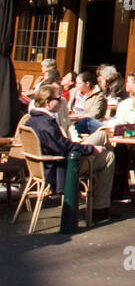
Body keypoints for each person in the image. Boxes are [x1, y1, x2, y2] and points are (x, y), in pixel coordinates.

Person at [25, 87, 118, 220]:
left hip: (46, 165)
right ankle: (100, 206)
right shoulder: (46, 124)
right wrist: (92, 149)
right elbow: (64, 148)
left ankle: (101, 207)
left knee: (109, 155)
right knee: (105, 142)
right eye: (58, 99)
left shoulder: (33, 119)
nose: (62, 101)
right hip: (61, 167)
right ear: (47, 102)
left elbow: (63, 143)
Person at [69, 70, 108, 134]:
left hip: (87, 122)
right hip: (72, 122)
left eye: (79, 83)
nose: (76, 85)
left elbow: (95, 114)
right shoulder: (74, 92)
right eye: (76, 83)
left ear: (87, 84)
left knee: (85, 121)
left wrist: (78, 116)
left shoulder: (98, 96)